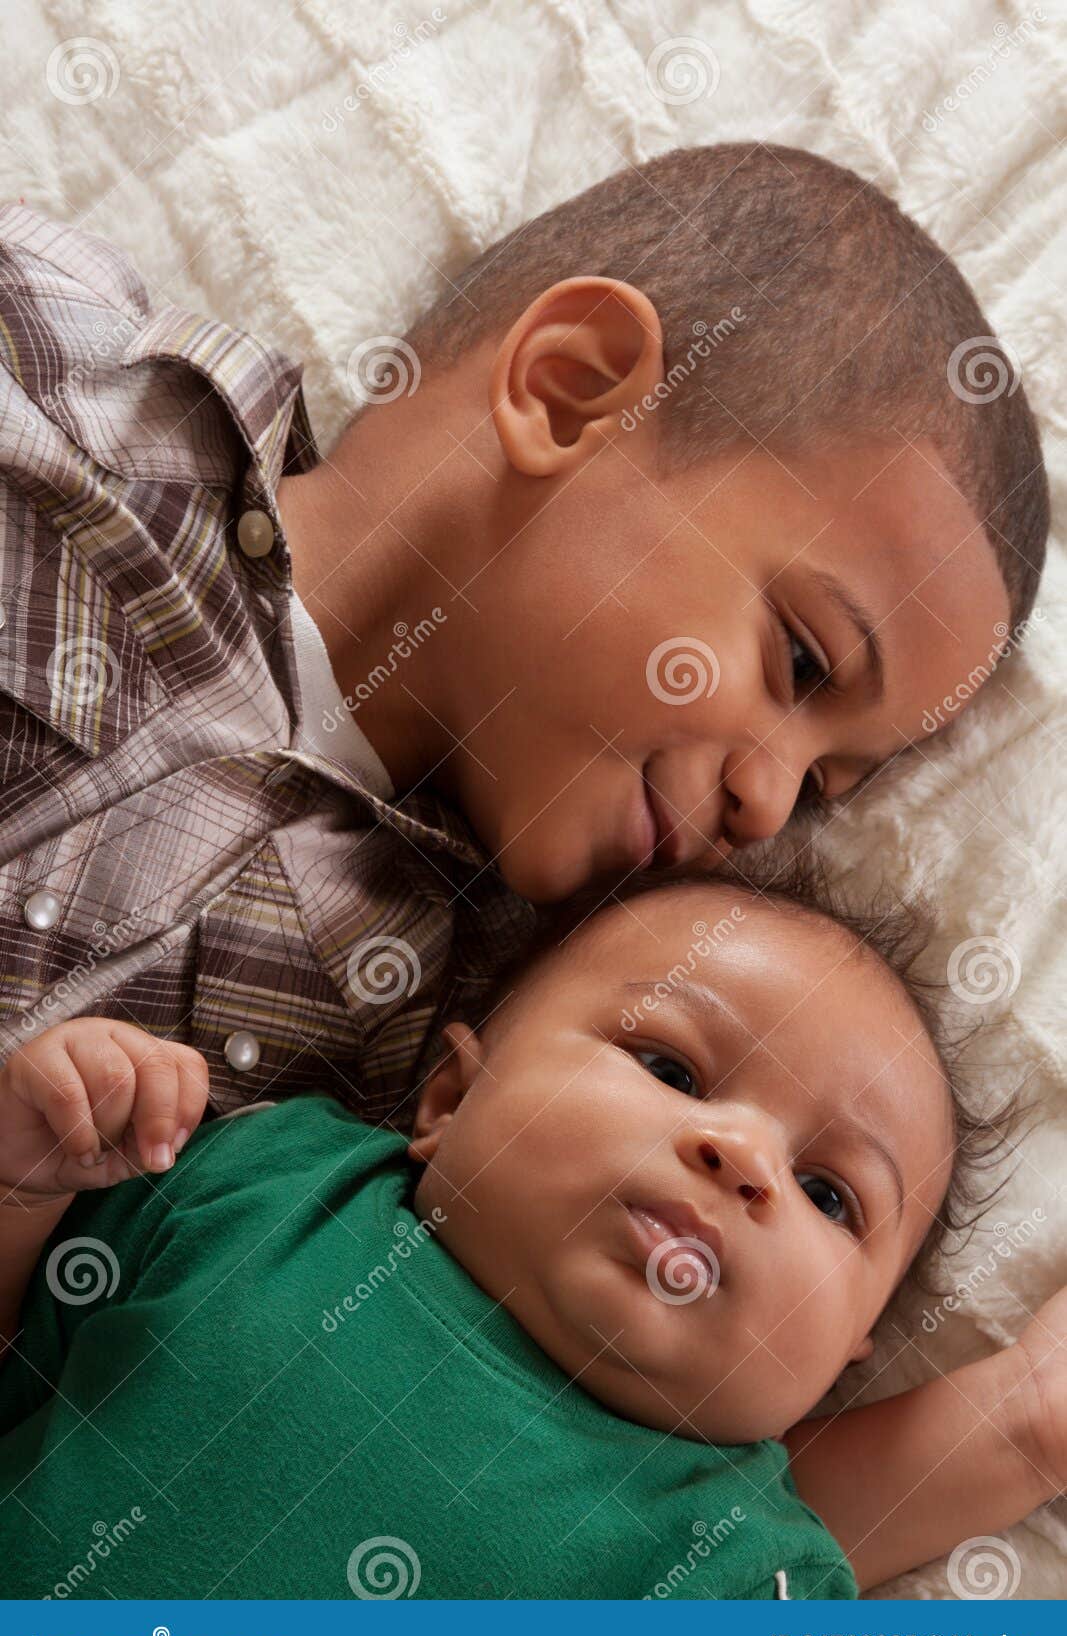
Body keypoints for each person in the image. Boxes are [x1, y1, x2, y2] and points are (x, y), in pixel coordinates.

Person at [0, 142, 1048, 1125]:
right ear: (569, 389)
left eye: (820, 792)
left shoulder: (467, 1032)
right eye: (802, 660)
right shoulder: (61, 366)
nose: (765, 804)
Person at [1, 868, 1060, 1599]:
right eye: (670, 1070)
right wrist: (32, 1176)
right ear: (451, 1097)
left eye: (829, 1195)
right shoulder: (271, 1185)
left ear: (839, 1358)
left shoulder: (735, 1557)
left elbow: (918, 1476)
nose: (741, 1156)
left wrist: (1026, 1419)